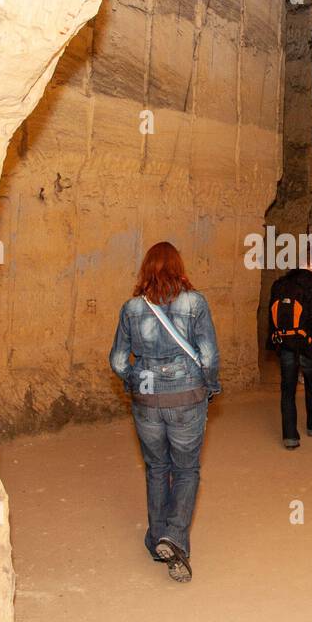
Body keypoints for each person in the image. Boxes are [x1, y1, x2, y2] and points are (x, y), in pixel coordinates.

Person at [109, 241, 220, 583]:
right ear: (178, 267)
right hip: (187, 396)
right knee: (186, 469)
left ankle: (157, 537)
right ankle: (174, 536)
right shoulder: (195, 303)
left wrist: (136, 381)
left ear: (146, 270)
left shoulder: (131, 308)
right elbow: (209, 356)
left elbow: (116, 360)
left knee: (157, 467)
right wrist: (211, 387)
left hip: (146, 401)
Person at [268, 246, 312, 450]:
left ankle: (290, 436)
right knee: (311, 386)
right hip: (310, 344)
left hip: (286, 342)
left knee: (287, 389)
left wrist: (274, 343)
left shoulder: (279, 284)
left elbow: (271, 317)